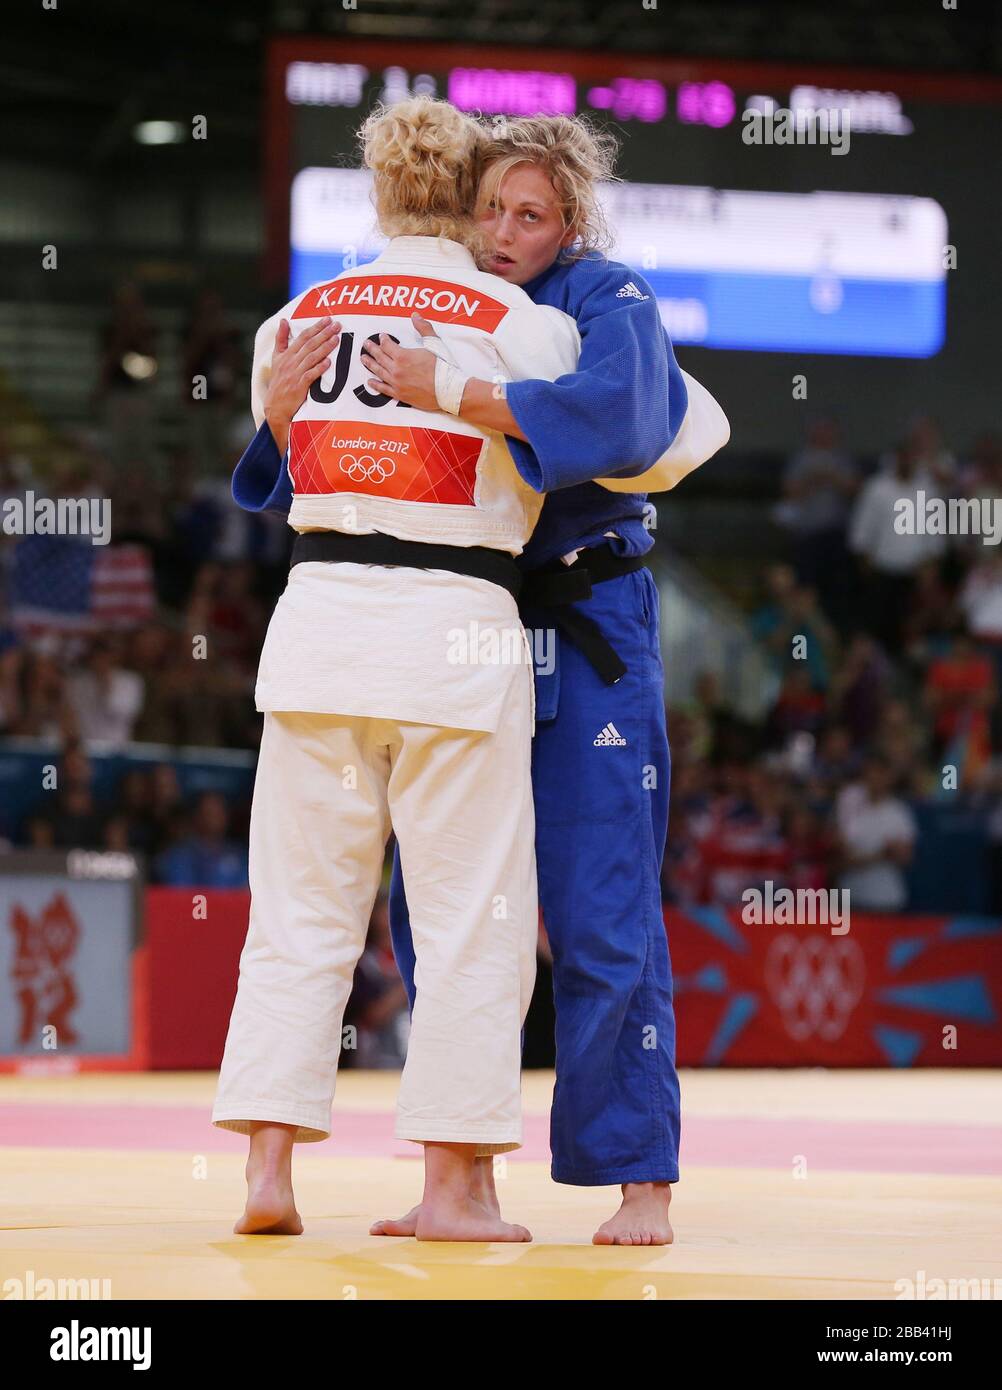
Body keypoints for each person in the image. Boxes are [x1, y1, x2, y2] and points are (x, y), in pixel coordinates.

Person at [231, 111, 728, 1245]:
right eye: (491, 209)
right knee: (444, 902)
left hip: (588, 610)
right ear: (461, 209)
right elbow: (292, 450)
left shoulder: (607, 301)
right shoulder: (477, 311)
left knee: (599, 907)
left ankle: (638, 1172)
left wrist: (454, 390)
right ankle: (464, 1179)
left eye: (533, 215)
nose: (507, 233)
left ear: (572, 221)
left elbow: (643, 423)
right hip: (476, 619)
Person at [212, 96, 592, 1243]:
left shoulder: (295, 317)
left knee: (298, 914)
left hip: (319, 627)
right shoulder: (518, 320)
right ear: (473, 194)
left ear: (376, 191)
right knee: (472, 918)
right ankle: (455, 1187)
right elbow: (630, 434)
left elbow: (276, 448)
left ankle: (268, 1169)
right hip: (455, 634)